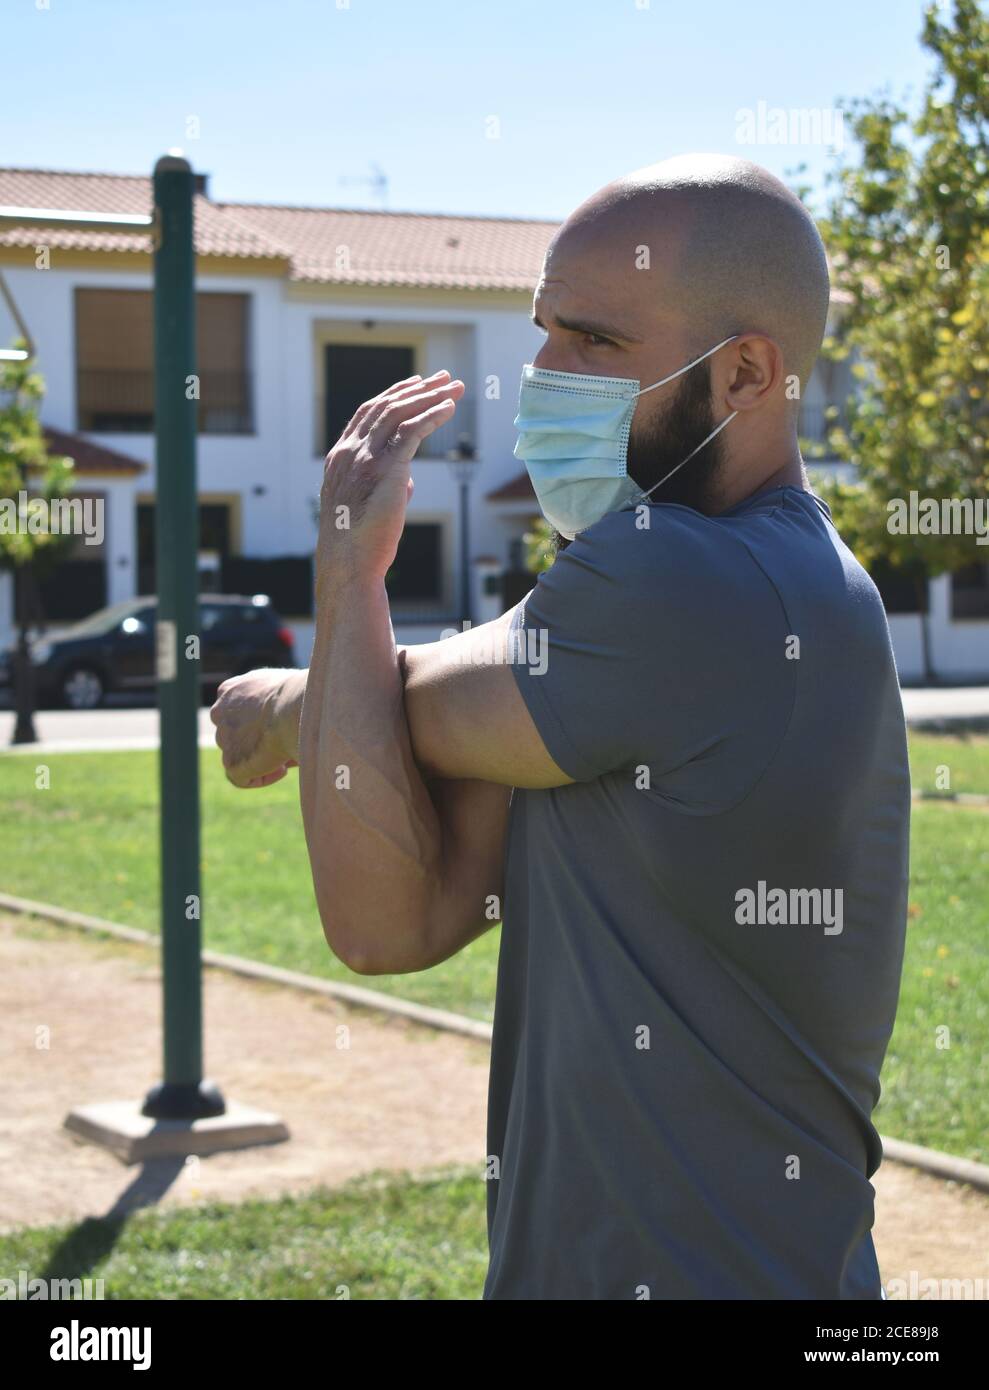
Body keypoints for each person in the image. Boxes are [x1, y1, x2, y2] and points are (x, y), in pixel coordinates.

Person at [210, 153, 910, 1300]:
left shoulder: (694, 579)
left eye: (590, 342)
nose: (536, 374)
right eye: (541, 331)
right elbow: (387, 925)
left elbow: (394, 711)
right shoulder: (640, 588)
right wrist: (352, 665)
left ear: (743, 374)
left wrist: (337, 605)